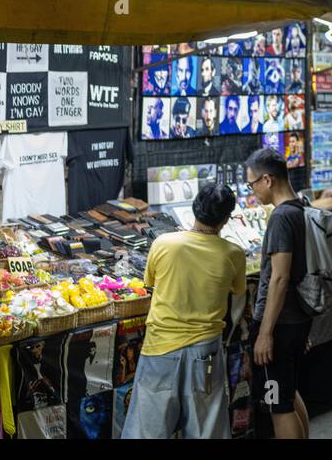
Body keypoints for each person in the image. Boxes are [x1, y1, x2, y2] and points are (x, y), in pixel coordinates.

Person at [122, 183, 246, 438]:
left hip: (160, 349)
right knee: (206, 429)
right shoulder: (233, 254)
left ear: (194, 210)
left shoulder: (164, 243)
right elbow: (236, 290)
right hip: (206, 355)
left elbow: (151, 283)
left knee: (146, 430)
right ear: (225, 218)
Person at [246, 148, 312, 439]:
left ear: (268, 180)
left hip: (279, 323)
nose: (253, 190)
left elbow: (280, 278)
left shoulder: (281, 217)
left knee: (278, 406)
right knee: (287, 392)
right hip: (295, 320)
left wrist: (265, 332)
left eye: (252, 184)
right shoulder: (301, 208)